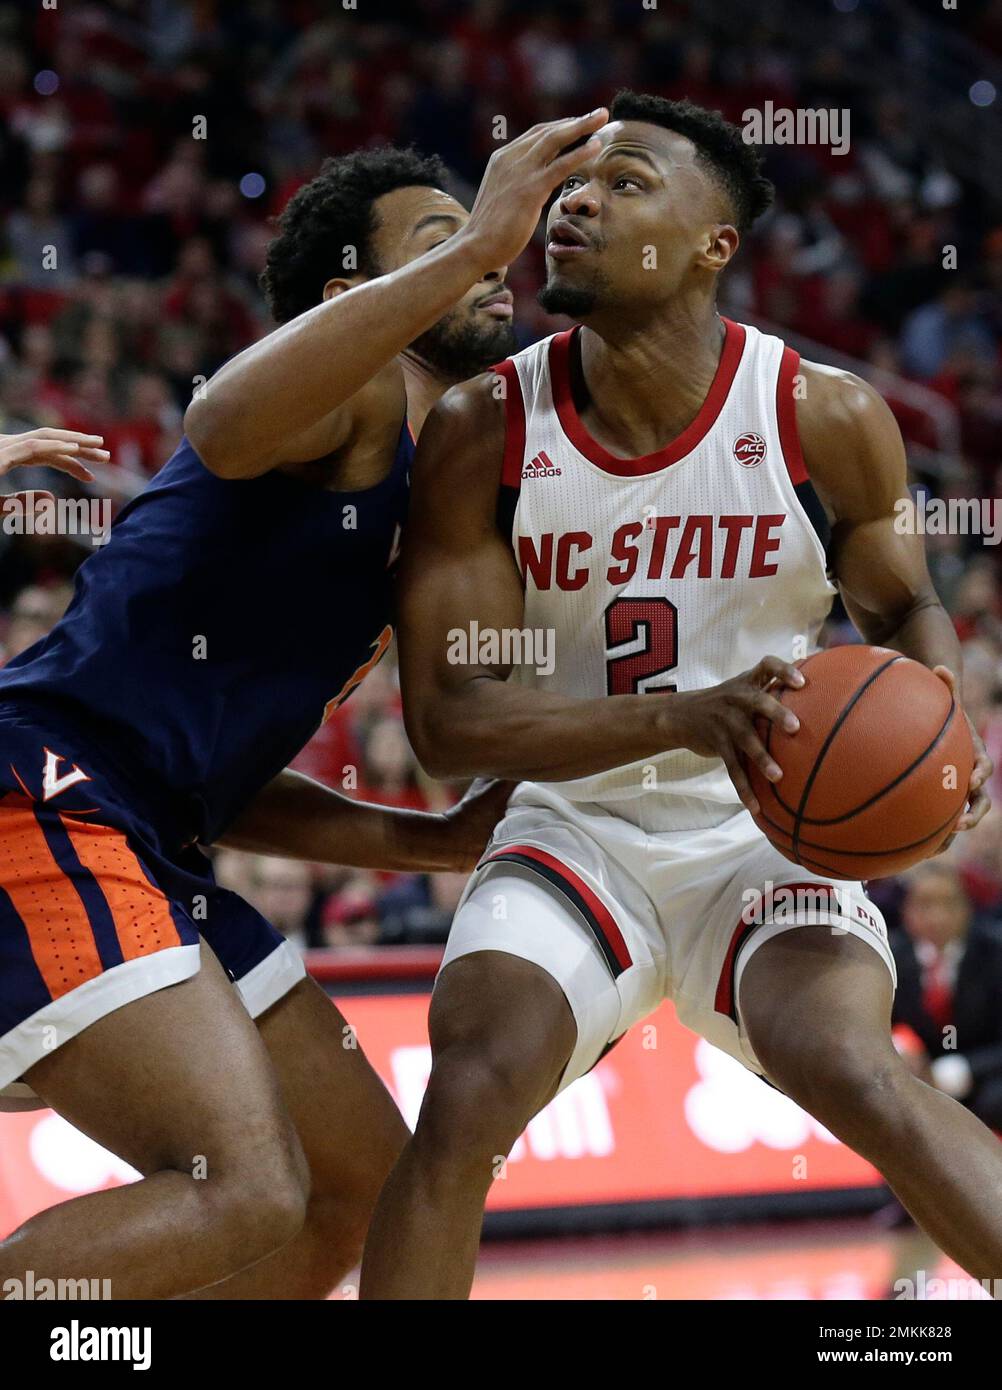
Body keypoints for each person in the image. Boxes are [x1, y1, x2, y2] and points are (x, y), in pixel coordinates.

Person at [363, 92, 995, 1299]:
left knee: (859, 1071)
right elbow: (449, 729)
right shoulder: (482, 430)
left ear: (715, 242)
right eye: (571, 186)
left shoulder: (823, 415)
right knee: (468, 1092)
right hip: (574, 826)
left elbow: (905, 609)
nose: (578, 201)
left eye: (629, 181)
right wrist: (682, 715)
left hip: (763, 824)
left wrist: (943, 715)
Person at [0, 110, 610, 1300]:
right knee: (243, 1184)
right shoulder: (353, 397)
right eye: (442, 239)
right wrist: (481, 230)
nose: (495, 262)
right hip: (44, 789)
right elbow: (218, 419)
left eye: (485, 245)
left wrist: (421, 843)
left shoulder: (422, 491)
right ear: (351, 293)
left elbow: (214, 778)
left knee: (355, 1194)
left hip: (148, 826)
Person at [891, 860, 1002, 1130]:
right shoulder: (891, 958)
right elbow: (878, 1022)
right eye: (925, 905)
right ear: (907, 911)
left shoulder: (995, 953)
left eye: (949, 904)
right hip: (920, 1080)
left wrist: (964, 1068)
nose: (937, 917)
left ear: (967, 909)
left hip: (985, 1077)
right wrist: (900, 1045)